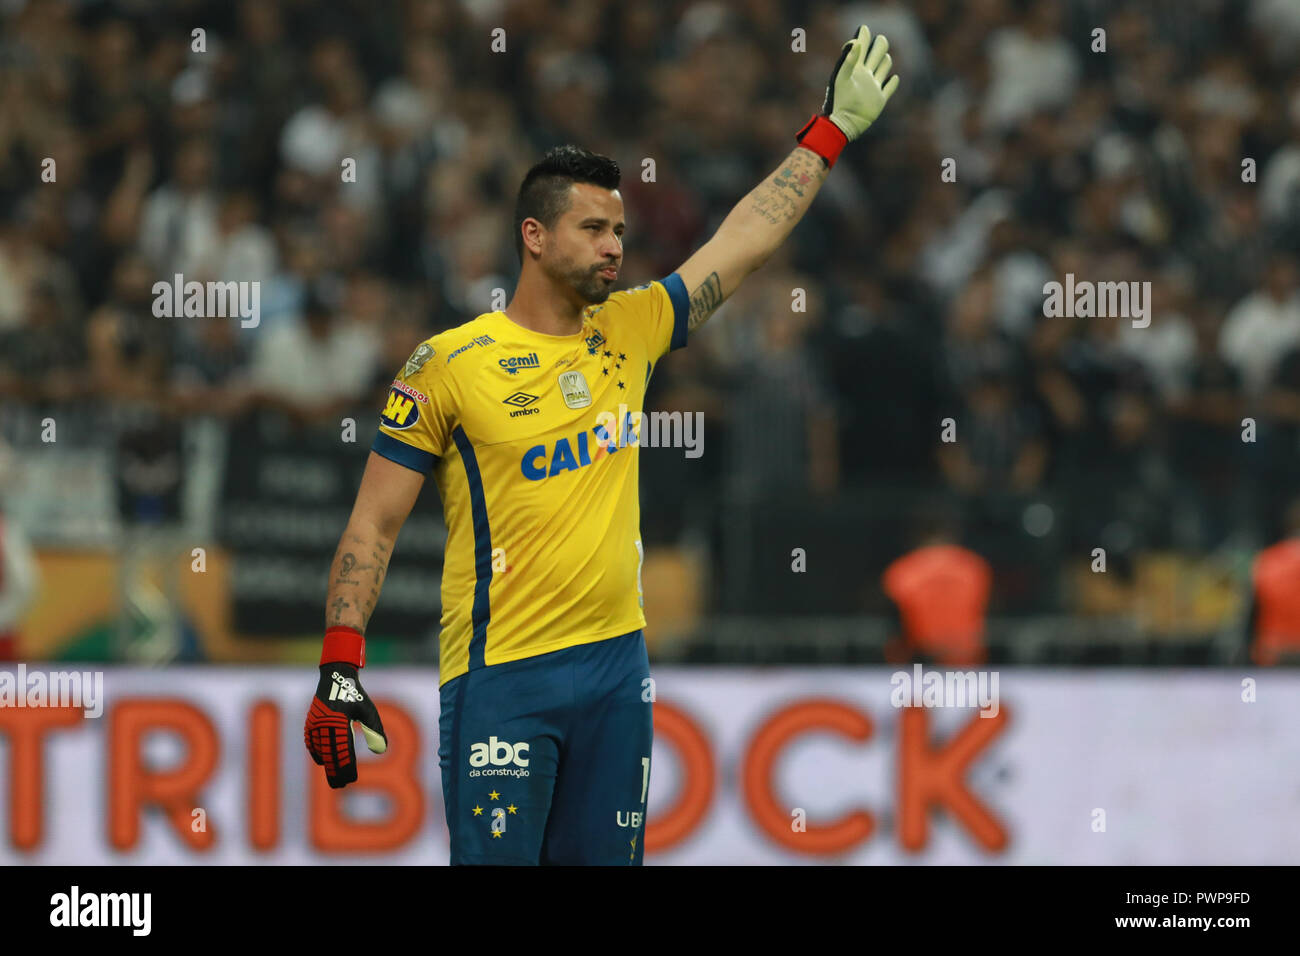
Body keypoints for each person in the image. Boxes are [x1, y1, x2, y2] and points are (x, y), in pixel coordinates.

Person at [303, 25, 900, 865]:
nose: (615, 247)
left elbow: (745, 240)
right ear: (534, 237)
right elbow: (372, 526)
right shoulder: (446, 365)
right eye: (592, 228)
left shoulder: (635, 327)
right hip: (501, 679)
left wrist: (828, 132)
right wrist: (339, 667)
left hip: (619, 676)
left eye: (618, 229)